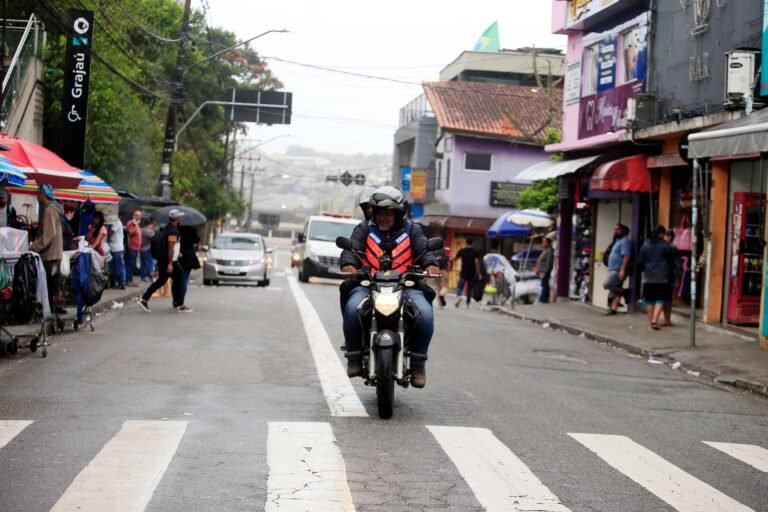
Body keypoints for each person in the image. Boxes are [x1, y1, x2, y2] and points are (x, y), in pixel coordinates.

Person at [339, 186, 439, 388]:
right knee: (352, 308)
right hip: (368, 284)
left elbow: (424, 248)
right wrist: (349, 264)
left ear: (399, 215)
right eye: (379, 213)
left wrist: (430, 264)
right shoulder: (364, 228)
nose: (383, 218)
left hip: (407, 285)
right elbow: (352, 248)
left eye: (388, 214)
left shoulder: (413, 230)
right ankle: (354, 357)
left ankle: (418, 364)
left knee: (425, 314)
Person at [138, 209, 188, 313]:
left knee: (161, 281)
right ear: (177, 219)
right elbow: (170, 247)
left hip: (163, 259)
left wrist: (177, 252)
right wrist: (170, 263)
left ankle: (144, 298)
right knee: (180, 278)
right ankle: (180, 304)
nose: (181, 219)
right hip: (169, 260)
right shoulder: (173, 231)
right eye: (179, 217)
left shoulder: (166, 228)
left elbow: (169, 245)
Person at [29, 184, 63, 312]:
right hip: (55, 255)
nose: (37, 197)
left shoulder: (49, 210)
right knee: (52, 288)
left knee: (47, 287)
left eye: (38, 194)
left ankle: (48, 315)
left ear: (43, 194)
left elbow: (48, 236)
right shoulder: (55, 209)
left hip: (49, 256)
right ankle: (52, 314)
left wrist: (33, 246)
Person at [637, 225, 673, 330]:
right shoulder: (665, 245)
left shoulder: (646, 244)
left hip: (648, 276)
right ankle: (655, 320)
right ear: (661, 234)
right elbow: (670, 260)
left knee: (649, 300)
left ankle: (650, 323)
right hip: (662, 276)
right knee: (660, 299)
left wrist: (645, 269)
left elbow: (640, 261)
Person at [603, 223, 633, 315]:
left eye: (618, 229)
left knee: (607, 284)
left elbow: (626, 256)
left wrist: (622, 269)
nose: (616, 231)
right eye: (615, 229)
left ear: (624, 231)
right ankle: (613, 309)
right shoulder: (617, 241)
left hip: (618, 270)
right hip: (613, 269)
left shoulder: (625, 241)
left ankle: (625, 292)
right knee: (615, 290)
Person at [177, 225, 200, 312]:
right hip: (188, 255)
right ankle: (181, 302)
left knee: (177, 280)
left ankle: (176, 300)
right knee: (184, 279)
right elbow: (196, 240)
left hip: (178, 255)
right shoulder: (191, 229)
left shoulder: (177, 229)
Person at [453, 239, 480, 308]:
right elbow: (476, 262)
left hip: (464, 271)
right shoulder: (475, 252)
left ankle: (459, 296)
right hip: (472, 272)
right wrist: (478, 272)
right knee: (469, 288)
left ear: (466, 243)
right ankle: (468, 304)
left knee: (460, 286)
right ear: (472, 243)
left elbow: (455, 258)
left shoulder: (462, 251)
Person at [662, 229, 680, 326]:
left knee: (667, 299)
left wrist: (677, 277)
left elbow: (676, 264)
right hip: (667, 274)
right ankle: (666, 318)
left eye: (665, 236)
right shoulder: (666, 247)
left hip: (669, 275)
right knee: (665, 299)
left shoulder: (672, 249)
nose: (664, 238)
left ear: (670, 237)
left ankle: (667, 319)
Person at [124, 210, 142, 287]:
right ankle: (128, 280)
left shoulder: (137, 224)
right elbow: (130, 233)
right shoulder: (131, 223)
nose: (138, 217)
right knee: (130, 264)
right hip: (131, 247)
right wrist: (136, 225)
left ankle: (130, 279)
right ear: (133, 216)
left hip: (136, 248)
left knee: (132, 264)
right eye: (137, 215)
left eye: (140, 215)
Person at [535, 236, 554, 303]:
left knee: (545, 284)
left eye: (545, 242)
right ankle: (543, 297)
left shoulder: (550, 251)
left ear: (549, 243)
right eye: (543, 242)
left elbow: (549, 262)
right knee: (543, 284)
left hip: (545, 271)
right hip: (542, 270)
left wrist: (546, 271)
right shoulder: (545, 251)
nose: (543, 243)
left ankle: (544, 298)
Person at [108, 218, 126, 289]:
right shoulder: (113, 222)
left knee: (120, 267)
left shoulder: (117, 222)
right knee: (113, 268)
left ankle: (122, 283)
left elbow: (110, 232)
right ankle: (116, 283)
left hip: (118, 248)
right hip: (112, 247)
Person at [140, 218, 155, 282]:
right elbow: (154, 239)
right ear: (150, 224)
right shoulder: (150, 232)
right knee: (150, 263)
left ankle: (143, 277)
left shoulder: (141, 230)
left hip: (141, 248)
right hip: (148, 248)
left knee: (143, 263)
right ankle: (151, 277)